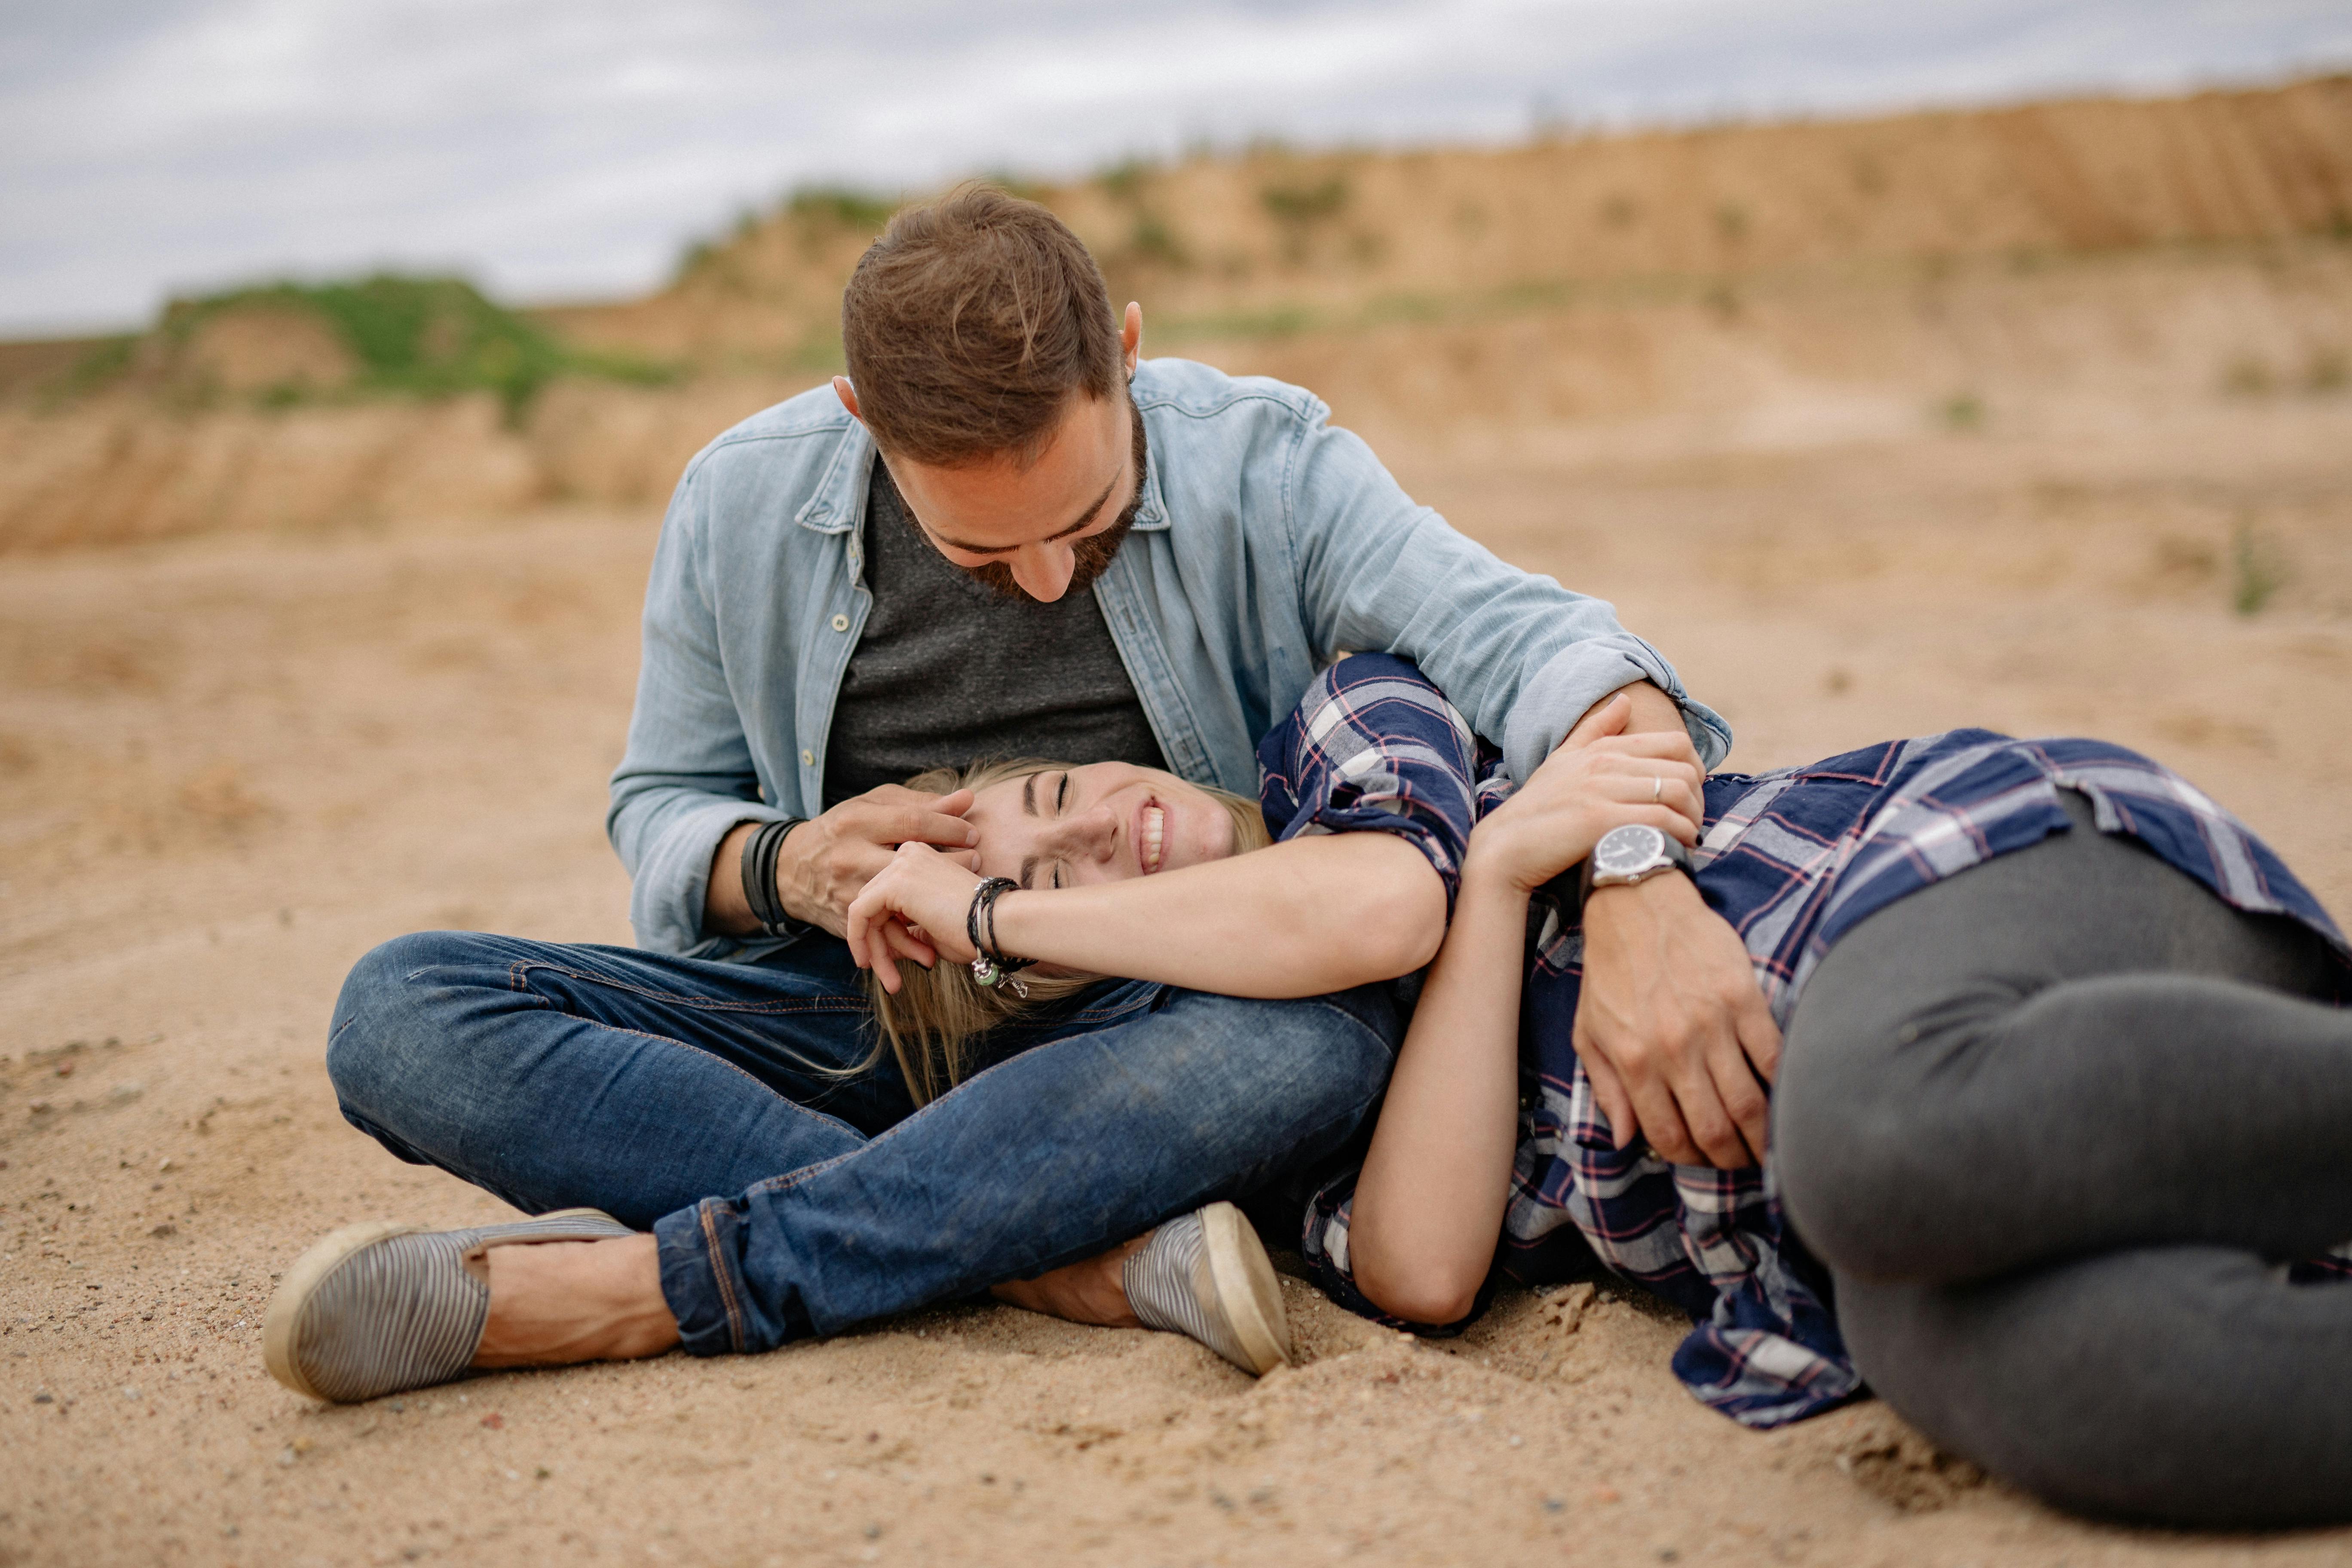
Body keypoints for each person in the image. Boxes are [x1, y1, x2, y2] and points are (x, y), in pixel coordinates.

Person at [270, 189, 1744, 1399]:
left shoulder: (1269, 464)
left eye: (1090, 526)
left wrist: (1634, 875)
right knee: (399, 1012)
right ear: (864, 418)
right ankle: (1064, 1259)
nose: (1044, 577)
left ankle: (673, 1283)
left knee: (1322, 1042)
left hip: (1170, 1020)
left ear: (1130, 349)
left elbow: (1545, 646)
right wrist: (787, 870)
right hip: (866, 1010)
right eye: (989, 557)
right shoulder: (737, 502)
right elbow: (662, 803)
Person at [827, 655, 2352, 1529]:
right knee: (2028, 1376)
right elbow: (1423, 1272)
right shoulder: (1277, 1119)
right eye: (1052, 888)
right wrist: (1504, 880)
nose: (1100, 838)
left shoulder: (1337, 733)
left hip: (1930, 897)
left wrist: (992, 916)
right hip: (1854, 1230)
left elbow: (1379, 912)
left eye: (1054, 800)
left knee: (1877, 1141)